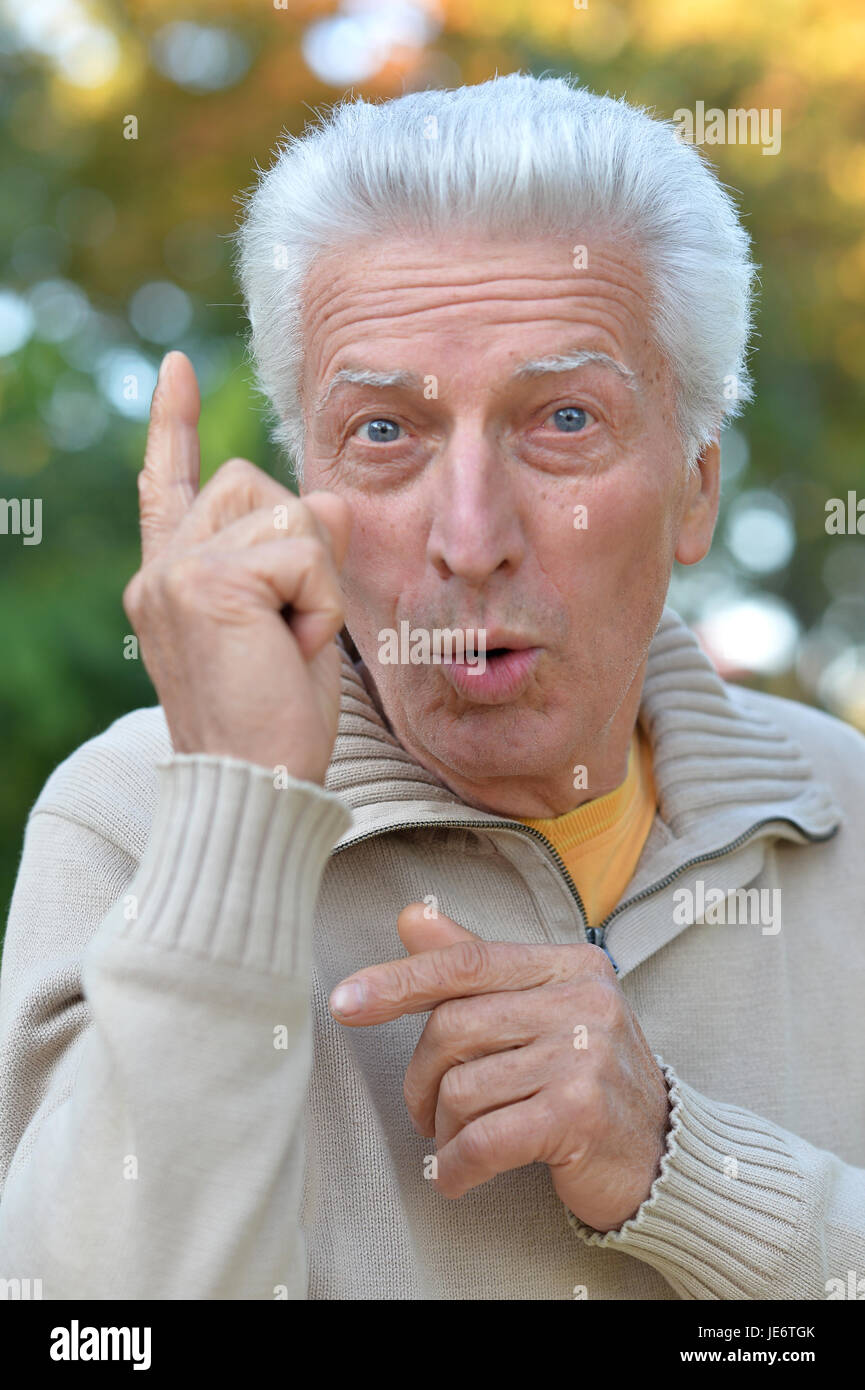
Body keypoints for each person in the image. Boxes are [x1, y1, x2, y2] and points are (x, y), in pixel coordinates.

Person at [1, 73, 863, 1301]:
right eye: (386, 433)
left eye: (562, 417)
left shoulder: (845, 805)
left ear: (694, 487)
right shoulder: (131, 814)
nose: (469, 535)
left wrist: (680, 1163)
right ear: (309, 487)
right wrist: (233, 815)